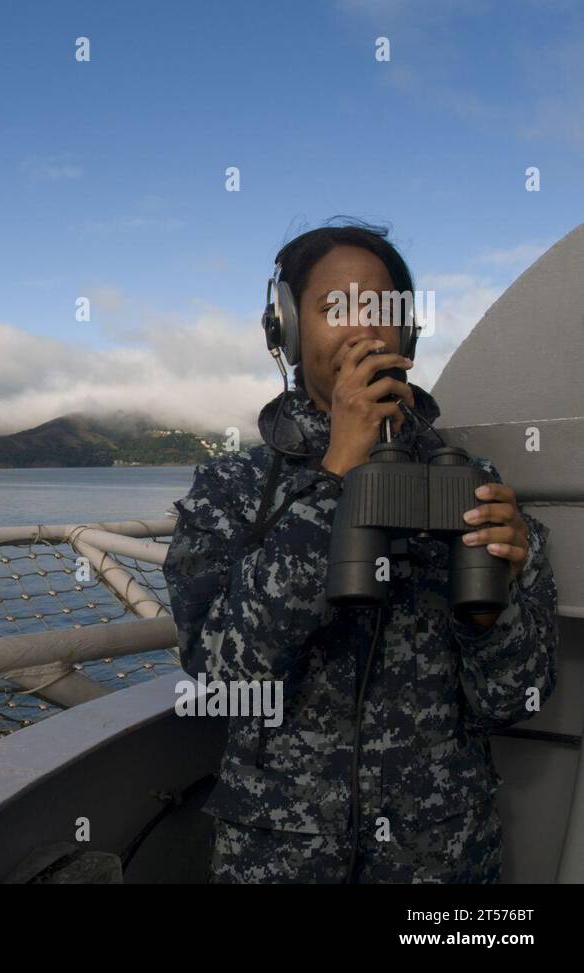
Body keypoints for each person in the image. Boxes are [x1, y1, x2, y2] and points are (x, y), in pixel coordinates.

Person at [161, 220, 559, 883]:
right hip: (277, 860)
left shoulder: (470, 483)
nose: (362, 329)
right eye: (333, 308)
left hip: (439, 861)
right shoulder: (232, 491)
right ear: (285, 329)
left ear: (410, 331)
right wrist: (335, 480)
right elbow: (224, 686)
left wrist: (496, 613)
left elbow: (512, 701)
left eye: (381, 308)